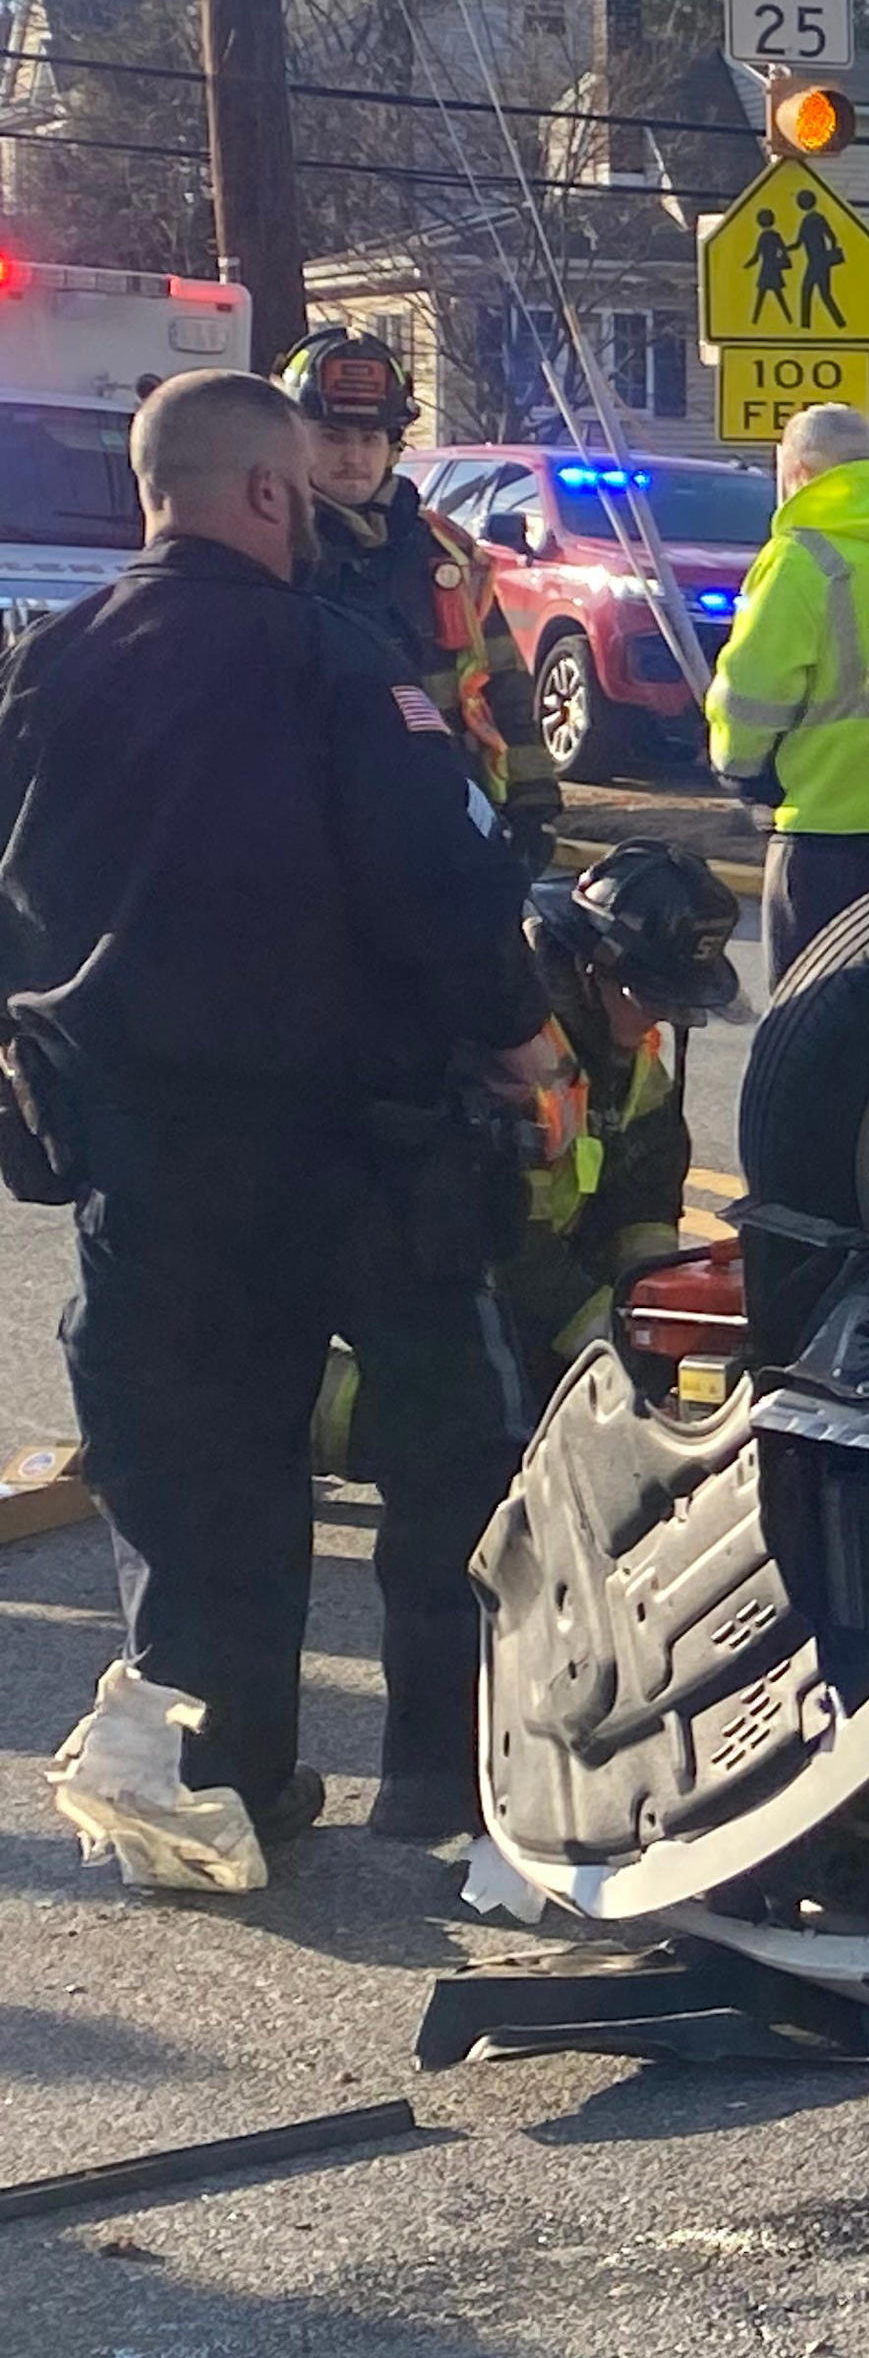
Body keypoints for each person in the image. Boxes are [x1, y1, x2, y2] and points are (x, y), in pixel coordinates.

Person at [0, 372, 559, 1850]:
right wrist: (524, 1043)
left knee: (196, 1466)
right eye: (299, 496)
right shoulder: (333, 658)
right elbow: (440, 883)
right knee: (445, 1447)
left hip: (147, 1147)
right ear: (261, 492)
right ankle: (443, 1771)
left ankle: (221, 1772)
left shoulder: (49, 668)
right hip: (359, 1142)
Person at [275, 324, 559, 866]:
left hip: (443, 820)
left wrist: (531, 804)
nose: (354, 457)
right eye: (333, 436)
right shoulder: (273, 549)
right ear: (293, 439)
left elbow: (504, 686)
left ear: (394, 446)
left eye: (370, 439)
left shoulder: (446, 554)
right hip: (316, 833)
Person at [492, 842, 740, 1393]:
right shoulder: (513, 1060)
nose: (659, 1015)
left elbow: (646, 1201)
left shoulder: (634, 1065)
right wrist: (612, 1350)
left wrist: (653, 1317)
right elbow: (511, 1250)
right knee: (486, 1424)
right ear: (588, 969)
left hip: (534, 1280)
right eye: (649, 995)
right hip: (455, 1279)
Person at [705, 404, 869, 983]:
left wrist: (741, 772)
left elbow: (749, 691)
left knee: (806, 1025)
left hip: (821, 829)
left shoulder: (802, 558)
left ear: (798, 471)